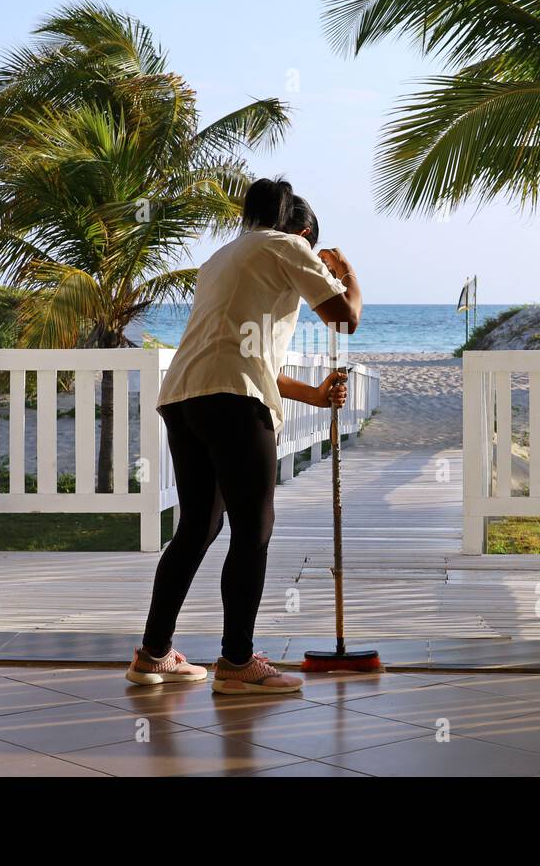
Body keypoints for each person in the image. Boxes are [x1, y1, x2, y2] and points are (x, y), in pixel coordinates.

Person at [125, 178, 362, 694]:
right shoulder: (286, 246)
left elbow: (244, 356)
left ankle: (154, 654)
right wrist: (346, 276)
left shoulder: (222, 258)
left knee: (197, 529)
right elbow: (345, 319)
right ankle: (237, 662)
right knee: (253, 529)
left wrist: (316, 397)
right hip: (230, 401)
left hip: (186, 396)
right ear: (302, 232)